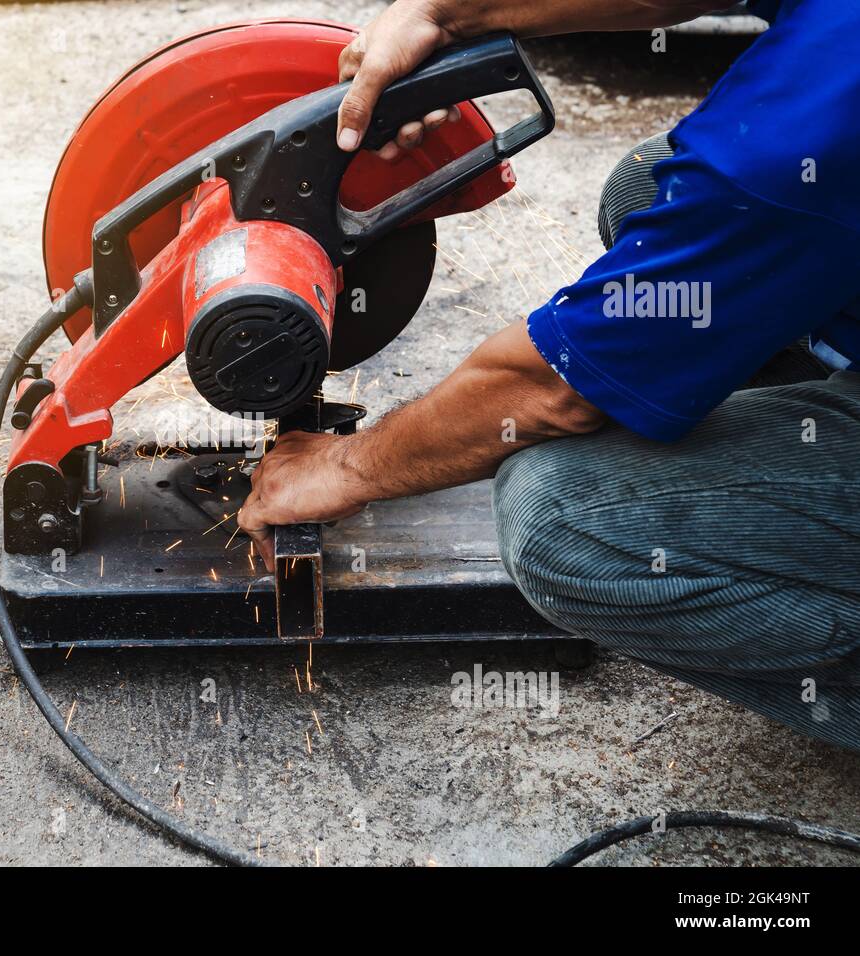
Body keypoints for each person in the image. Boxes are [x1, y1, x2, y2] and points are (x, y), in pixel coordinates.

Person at [236, 0, 860, 752]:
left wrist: (347, 466)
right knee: (647, 189)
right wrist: (446, 15)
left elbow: (552, 392)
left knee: (560, 520)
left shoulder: (795, 149)